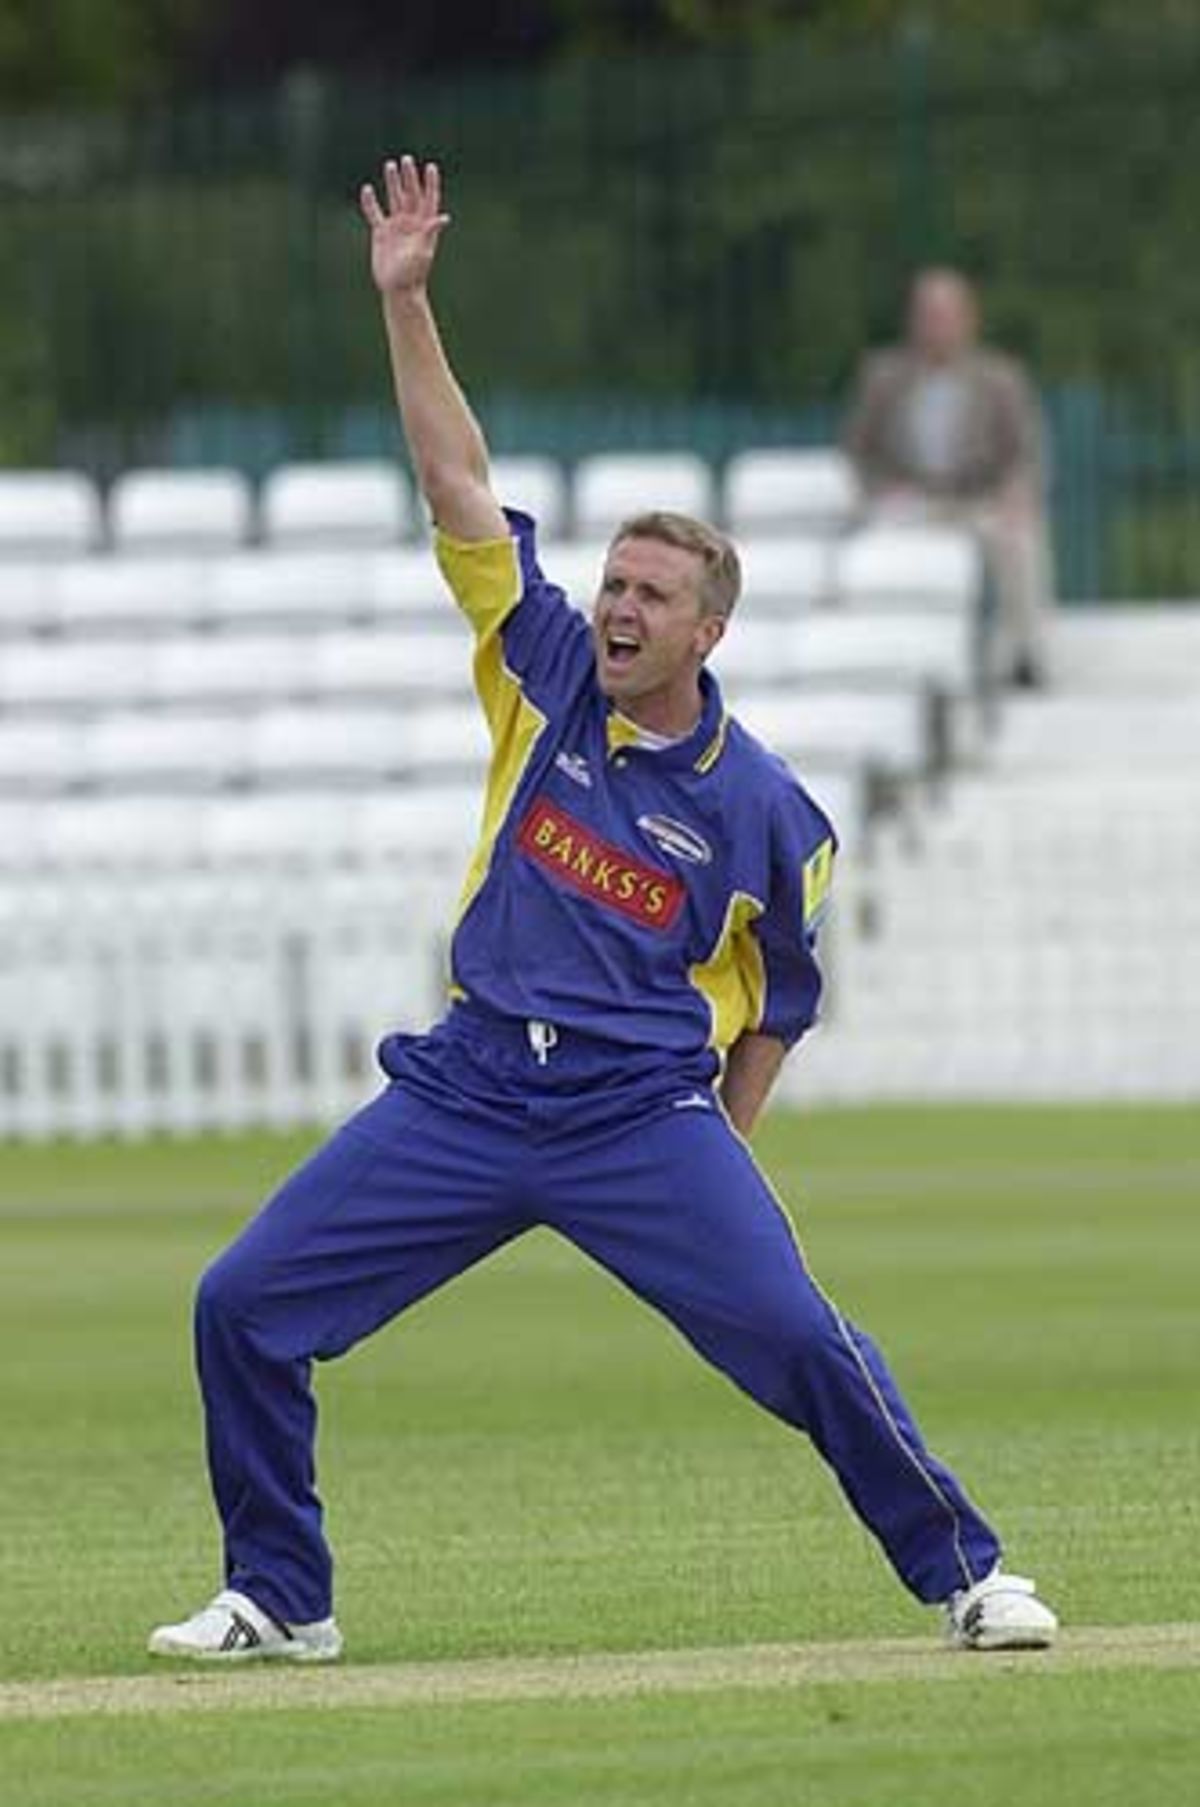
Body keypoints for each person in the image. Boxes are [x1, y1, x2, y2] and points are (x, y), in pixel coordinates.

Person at [148, 160, 1057, 1665]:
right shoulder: (546, 672)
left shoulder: (766, 808)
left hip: (639, 1113)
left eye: (651, 592)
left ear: (712, 627)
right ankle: (283, 1596)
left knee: (800, 1342)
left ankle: (970, 1571)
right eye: (614, 581)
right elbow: (455, 480)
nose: (619, 605)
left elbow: (781, 998)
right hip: (475, 1080)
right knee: (241, 1302)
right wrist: (409, 304)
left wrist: (712, 1154)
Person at [844, 268, 1054, 688]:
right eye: (928, 314)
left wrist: (1016, 493)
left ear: (968, 319)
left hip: (980, 501)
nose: (936, 325)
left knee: (1020, 538)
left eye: (945, 314)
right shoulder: (883, 377)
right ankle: (883, 660)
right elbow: (858, 451)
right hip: (910, 500)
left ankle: (1023, 655)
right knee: (874, 537)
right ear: (913, 321)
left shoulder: (1000, 379)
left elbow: (1027, 452)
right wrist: (881, 487)